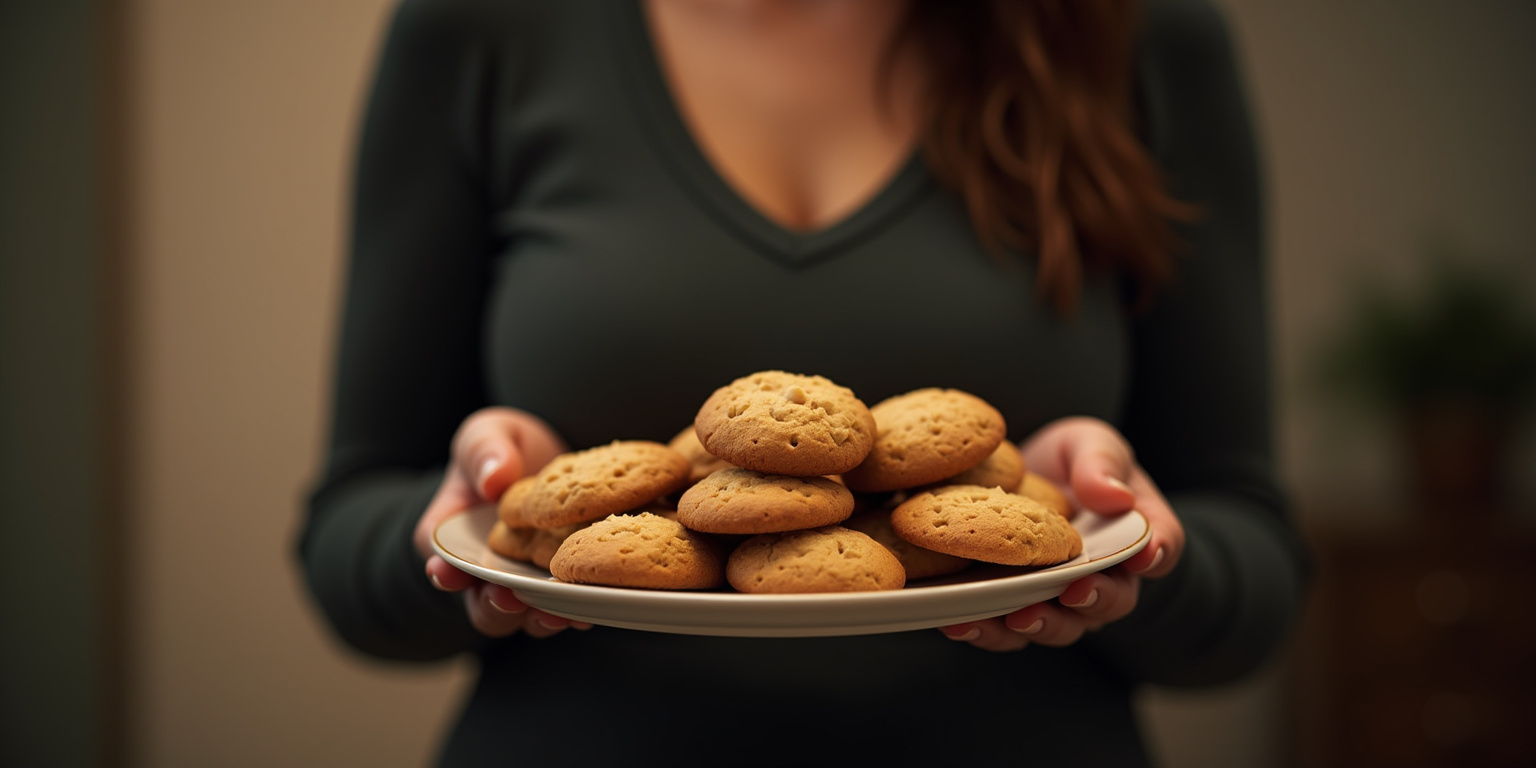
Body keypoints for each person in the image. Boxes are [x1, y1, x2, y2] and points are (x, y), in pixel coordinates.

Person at [298, 0, 1310, 764]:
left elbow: (1256, 568)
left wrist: (1122, 548)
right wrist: (464, 531)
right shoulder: (482, 25)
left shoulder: (1136, 30)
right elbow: (347, 533)